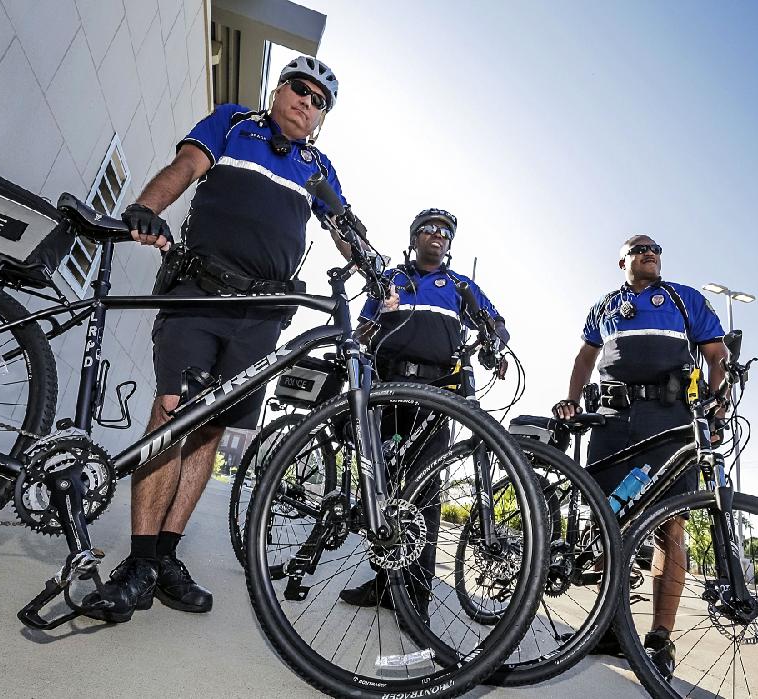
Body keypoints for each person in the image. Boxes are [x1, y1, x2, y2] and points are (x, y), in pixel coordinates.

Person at [85, 57, 346, 623]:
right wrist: (146, 209)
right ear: (279, 91)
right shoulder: (233, 124)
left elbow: (346, 228)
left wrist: (379, 273)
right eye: (299, 89)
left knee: (210, 433)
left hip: (262, 315)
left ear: (323, 118)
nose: (307, 101)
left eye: (320, 100)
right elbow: (185, 165)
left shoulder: (318, 167)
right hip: (198, 290)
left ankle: (166, 558)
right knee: (172, 413)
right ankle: (138, 562)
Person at [553, 234, 727, 678]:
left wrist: (717, 400)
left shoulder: (684, 299)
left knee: (670, 525)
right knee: (609, 520)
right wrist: (571, 400)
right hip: (611, 418)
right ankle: (608, 626)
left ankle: (659, 639)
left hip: (669, 417)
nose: (649, 253)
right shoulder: (605, 305)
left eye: (655, 249)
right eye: (638, 248)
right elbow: (584, 357)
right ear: (622, 260)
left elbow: (715, 354)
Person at [338, 208, 509, 619]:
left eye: (445, 232)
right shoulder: (391, 279)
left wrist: (493, 344)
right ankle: (383, 583)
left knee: (425, 493)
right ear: (413, 238)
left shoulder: (460, 286)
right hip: (386, 389)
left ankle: (415, 598)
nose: (438, 235)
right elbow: (361, 331)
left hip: (436, 396)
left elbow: (496, 324)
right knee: (384, 490)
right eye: (429, 229)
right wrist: (377, 318)